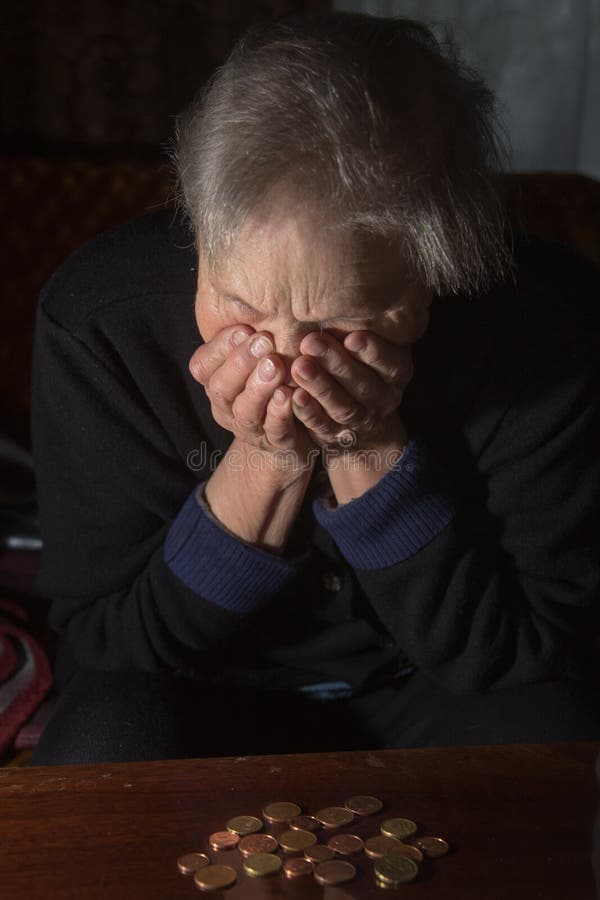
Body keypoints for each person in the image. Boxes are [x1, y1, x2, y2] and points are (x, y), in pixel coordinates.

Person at [30, 12, 600, 765]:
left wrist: (367, 447)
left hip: (433, 682)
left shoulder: (553, 327)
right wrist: (266, 459)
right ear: (200, 233)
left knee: (557, 752)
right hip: (197, 684)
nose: (288, 360)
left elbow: (527, 649)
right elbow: (114, 643)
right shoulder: (98, 322)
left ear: (434, 276)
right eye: (239, 307)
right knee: (102, 741)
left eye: (341, 322)